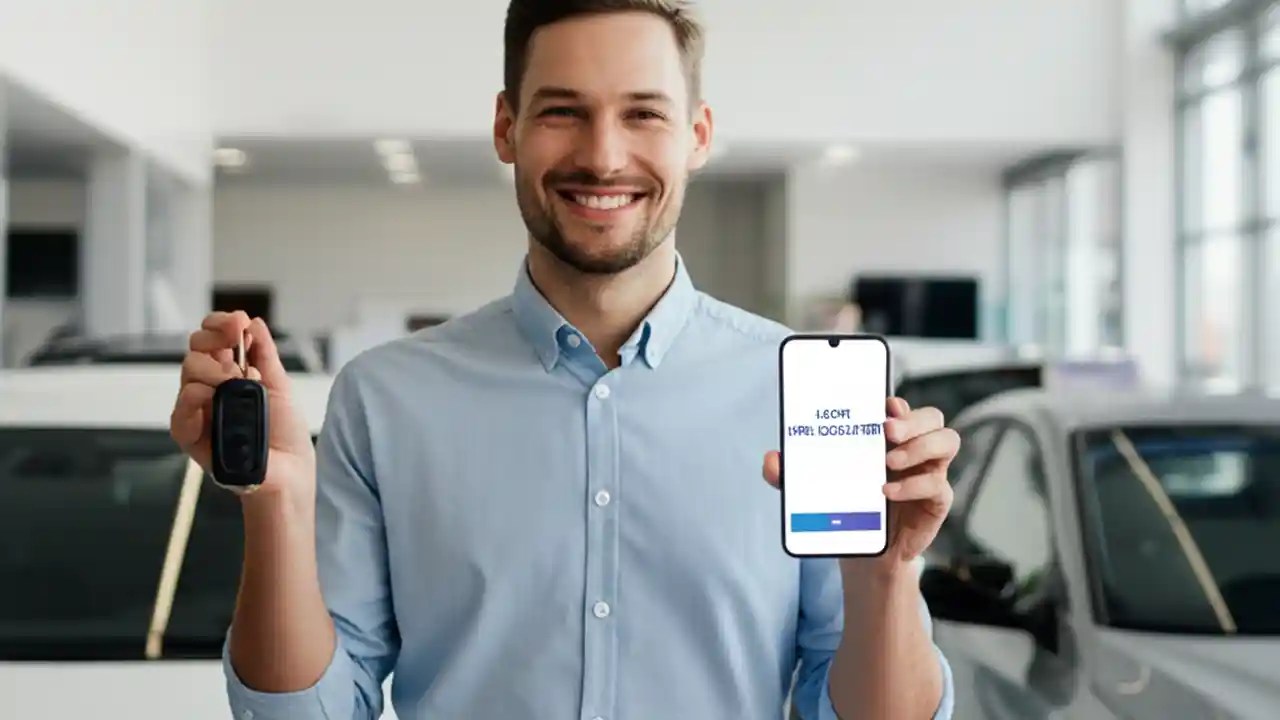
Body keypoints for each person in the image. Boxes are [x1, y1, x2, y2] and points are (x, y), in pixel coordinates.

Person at [171, 2, 959, 718]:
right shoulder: (385, 400)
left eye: (643, 114)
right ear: (506, 127)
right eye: (563, 112)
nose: (603, 156)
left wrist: (886, 575)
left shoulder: (798, 393)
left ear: (698, 136)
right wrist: (273, 506)